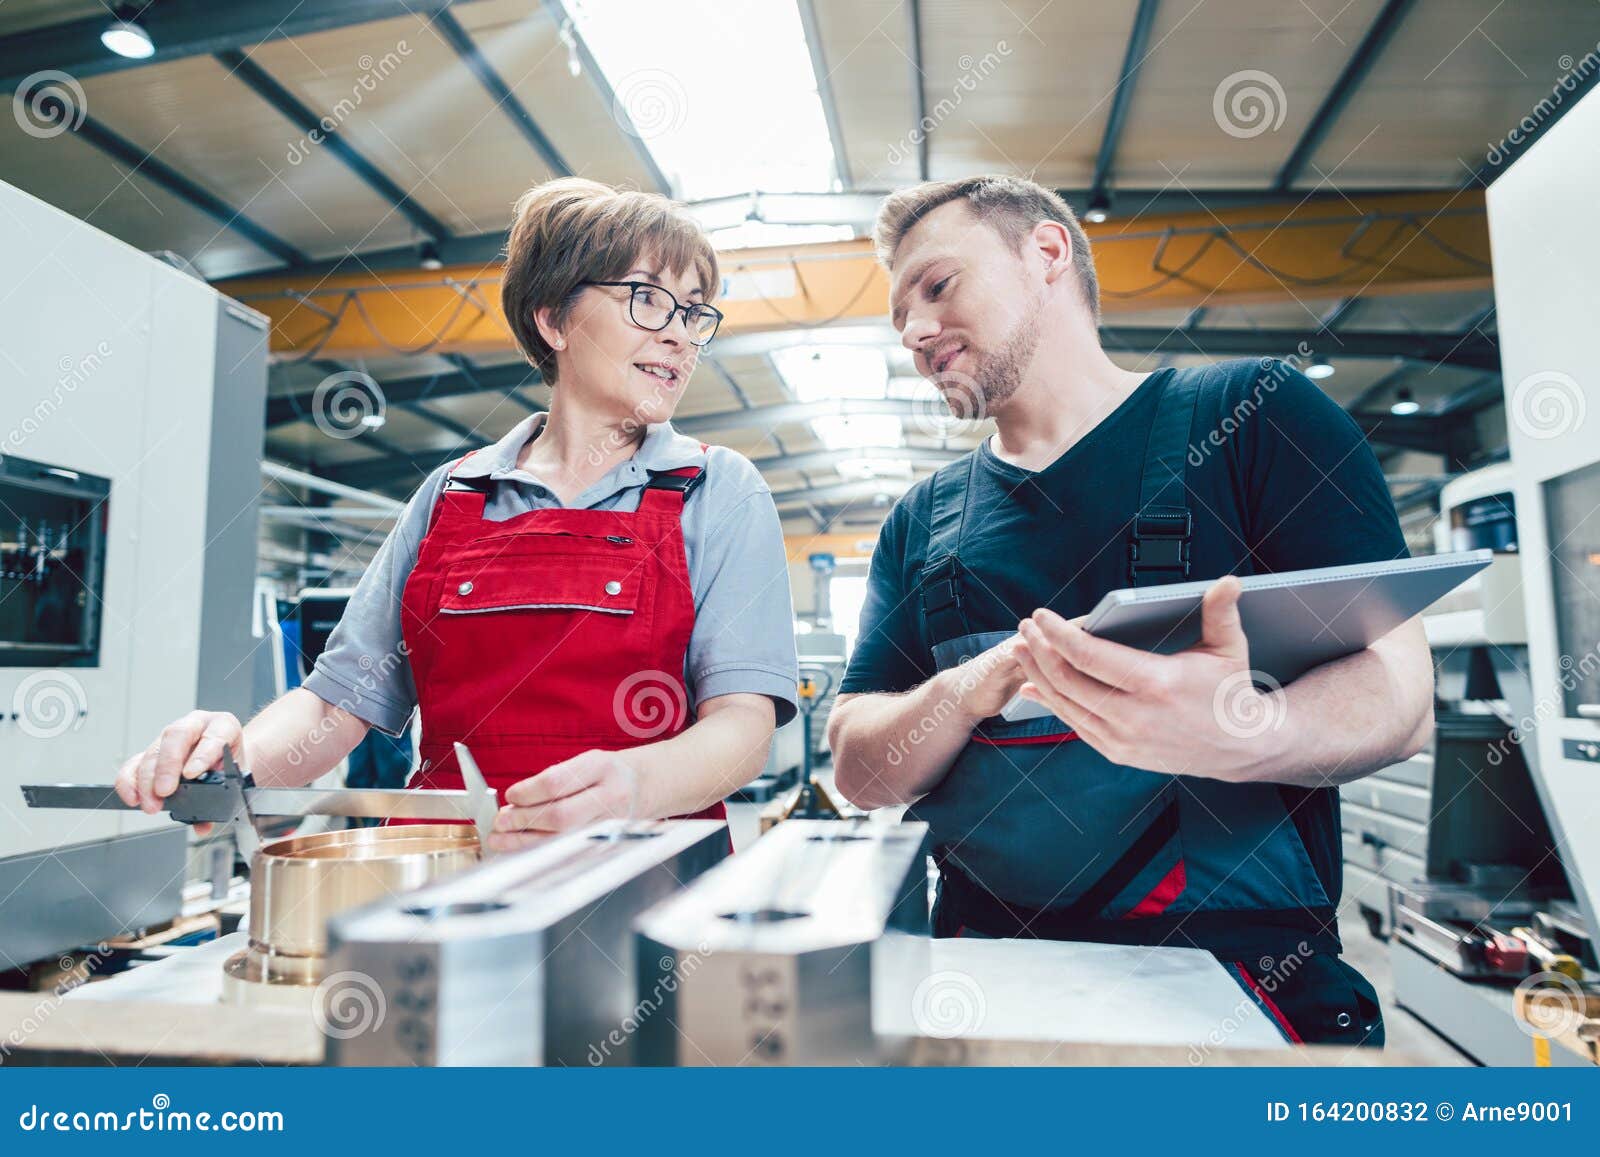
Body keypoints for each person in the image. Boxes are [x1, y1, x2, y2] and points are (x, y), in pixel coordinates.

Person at [828, 175, 1434, 1047]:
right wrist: (966, 688)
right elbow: (858, 771)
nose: (917, 332)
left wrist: (1248, 729)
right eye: (900, 319)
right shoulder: (920, 524)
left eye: (938, 286)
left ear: (1045, 255)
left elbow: (1404, 694)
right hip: (988, 992)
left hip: (1242, 1003)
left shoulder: (1255, 418)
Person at [116, 178, 799, 852]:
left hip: (645, 884)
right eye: (648, 298)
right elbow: (337, 704)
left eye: (694, 311)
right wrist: (234, 758)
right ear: (554, 318)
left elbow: (742, 724)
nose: (680, 336)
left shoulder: (717, 490)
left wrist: (637, 783)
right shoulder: (454, 492)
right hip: (444, 884)